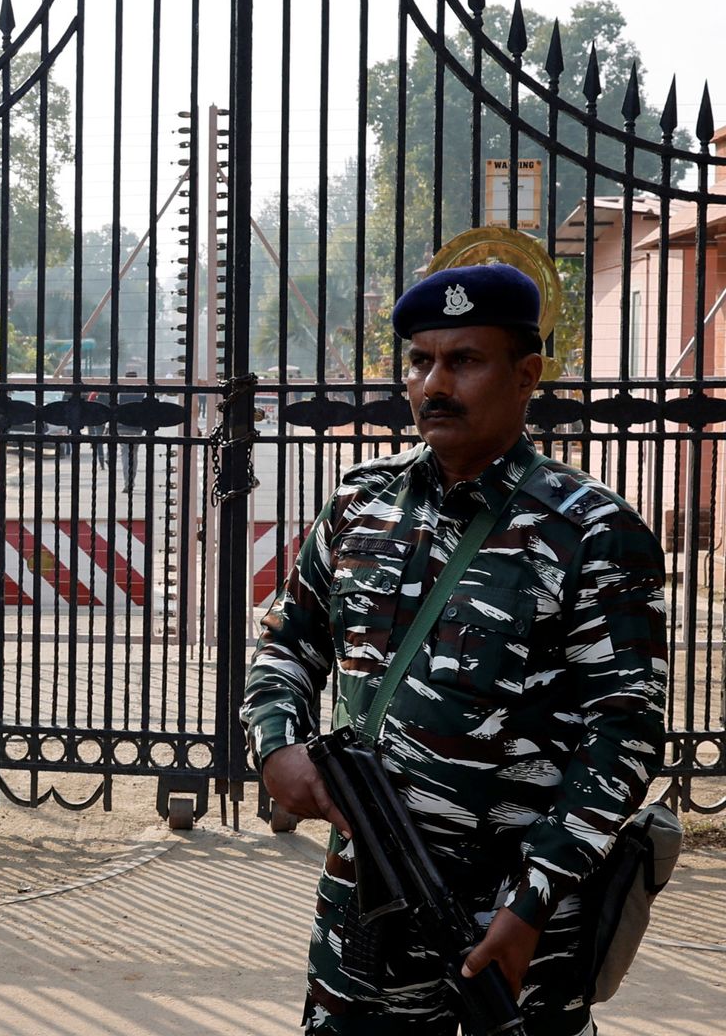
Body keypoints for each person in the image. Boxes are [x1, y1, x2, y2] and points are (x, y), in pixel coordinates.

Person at [240, 262, 667, 1034]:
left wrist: (533, 900)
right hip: (361, 906)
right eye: (420, 361)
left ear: (526, 374)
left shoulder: (593, 531)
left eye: (464, 361)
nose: (434, 383)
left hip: (506, 921)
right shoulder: (359, 504)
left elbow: (625, 734)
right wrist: (276, 749)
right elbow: (286, 642)